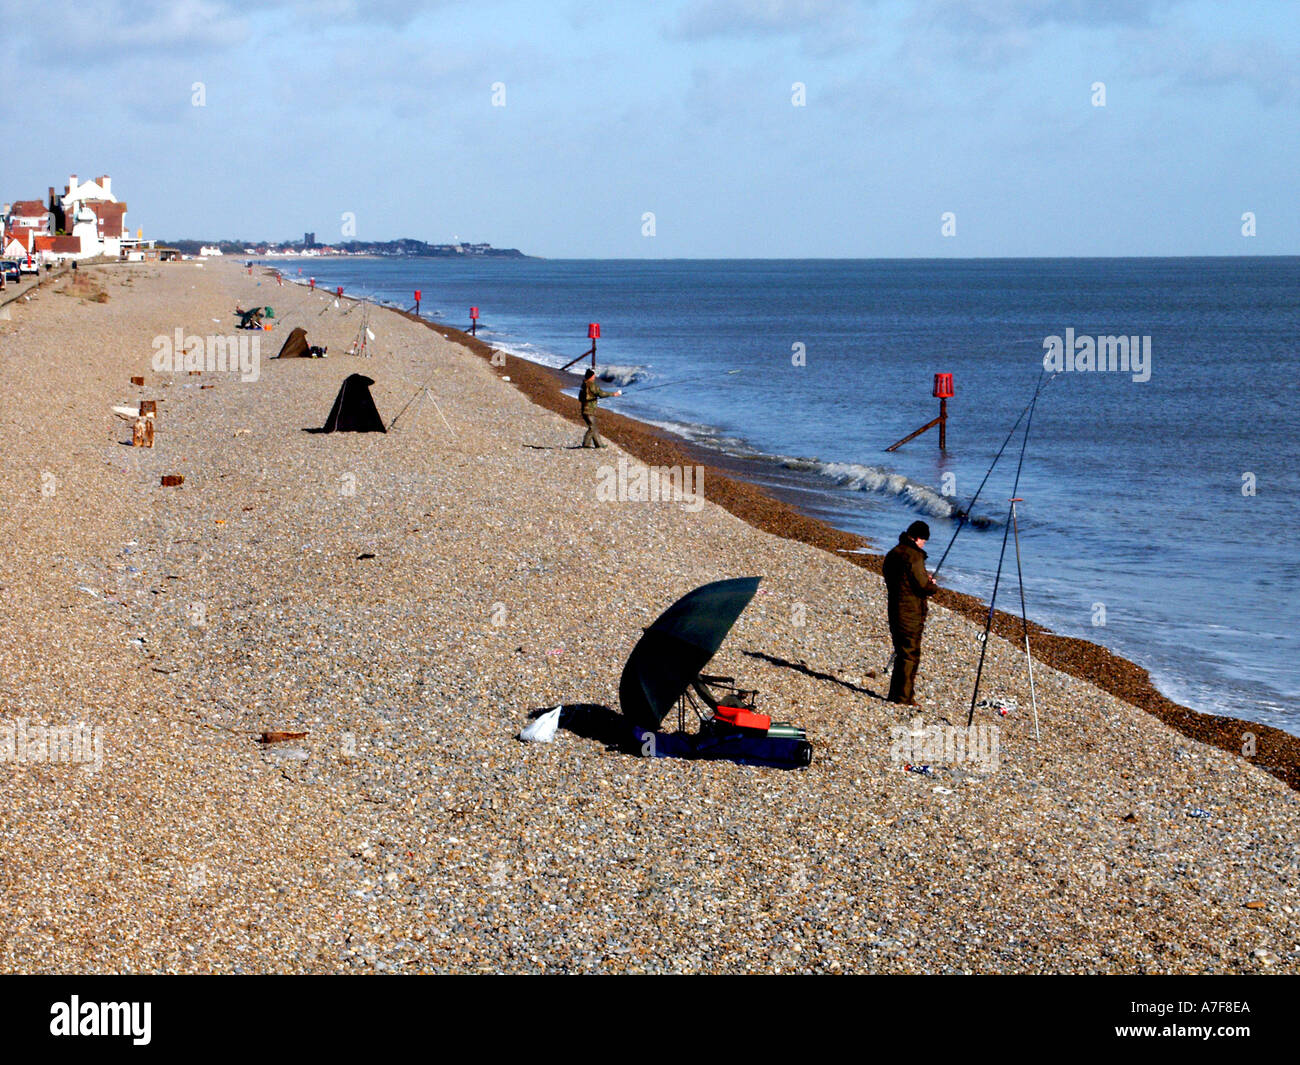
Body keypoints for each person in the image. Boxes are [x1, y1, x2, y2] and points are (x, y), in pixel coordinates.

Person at [883, 520, 939, 706]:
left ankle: (895, 695)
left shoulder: (893, 553)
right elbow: (923, 586)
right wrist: (932, 585)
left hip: (894, 608)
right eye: (923, 540)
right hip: (910, 612)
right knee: (910, 653)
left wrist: (922, 579)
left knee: (901, 651)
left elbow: (902, 579)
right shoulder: (914, 556)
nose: (924, 543)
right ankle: (904, 698)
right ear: (916, 538)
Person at [578, 368, 620, 448]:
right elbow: (601, 393)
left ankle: (599, 445)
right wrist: (613, 394)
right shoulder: (591, 385)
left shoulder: (584, 384)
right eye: (593, 375)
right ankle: (586, 444)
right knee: (592, 427)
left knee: (594, 427)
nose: (594, 376)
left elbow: (581, 397)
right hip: (589, 410)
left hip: (585, 409)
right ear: (591, 376)